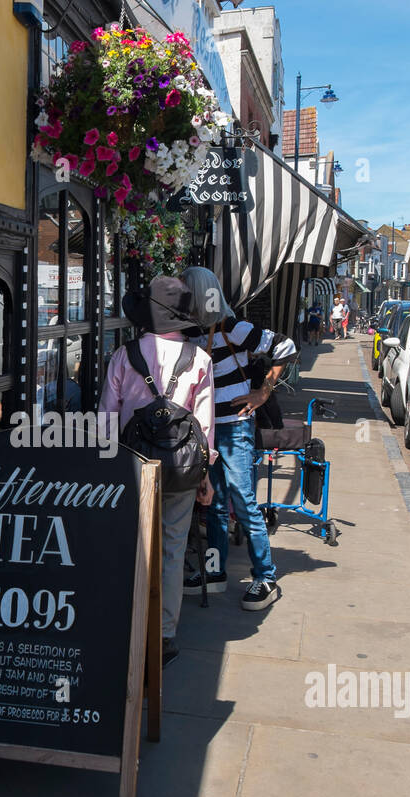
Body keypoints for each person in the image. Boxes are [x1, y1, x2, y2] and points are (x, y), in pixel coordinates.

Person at [100, 276, 215, 667]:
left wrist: (105, 470)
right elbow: (203, 428)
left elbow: (105, 421)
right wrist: (205, 477)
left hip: (131, 466)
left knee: (130, 547)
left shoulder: (123, 355)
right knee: (171, 549)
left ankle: (126, 624)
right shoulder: (200, 360)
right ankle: (163, 636)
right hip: (181, 471)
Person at [180, 266, 293, 611]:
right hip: (206, 428)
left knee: (242, 499)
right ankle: (215, 571)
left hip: (234, 425)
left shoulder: (233, 327)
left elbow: (285, 346)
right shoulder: (190, 331)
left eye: (187, 291)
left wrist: (263, 391)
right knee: (212, 504)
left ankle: (265, 575)